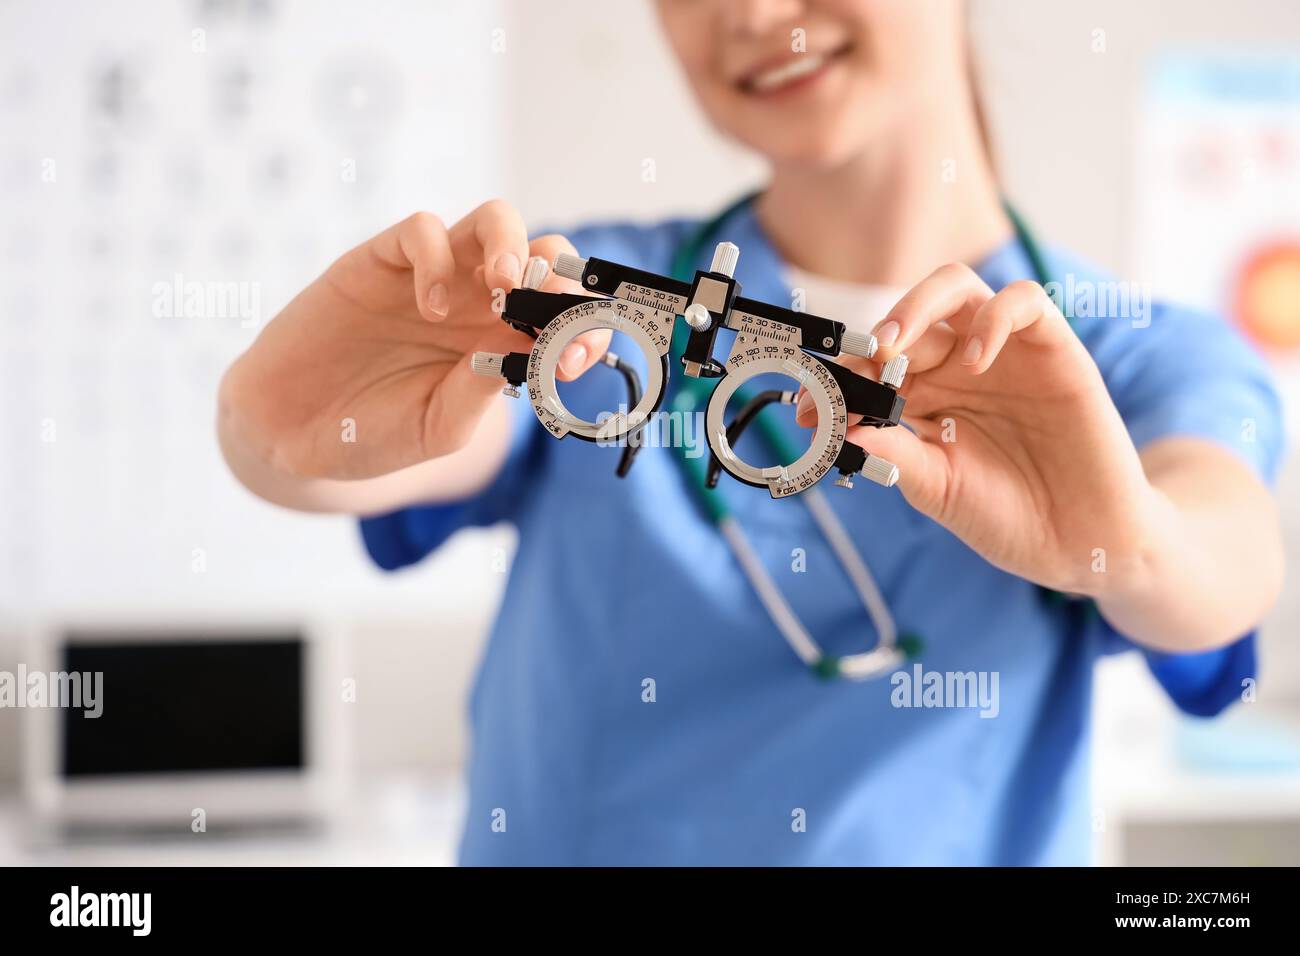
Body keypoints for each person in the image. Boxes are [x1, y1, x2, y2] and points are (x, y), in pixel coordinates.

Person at [217, 0, 1285, 865]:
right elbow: (396, 445)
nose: (752, 11)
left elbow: (1220, 555)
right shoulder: (583, 298)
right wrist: (272, 428)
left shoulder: (1130, 357)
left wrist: (1127, 543)